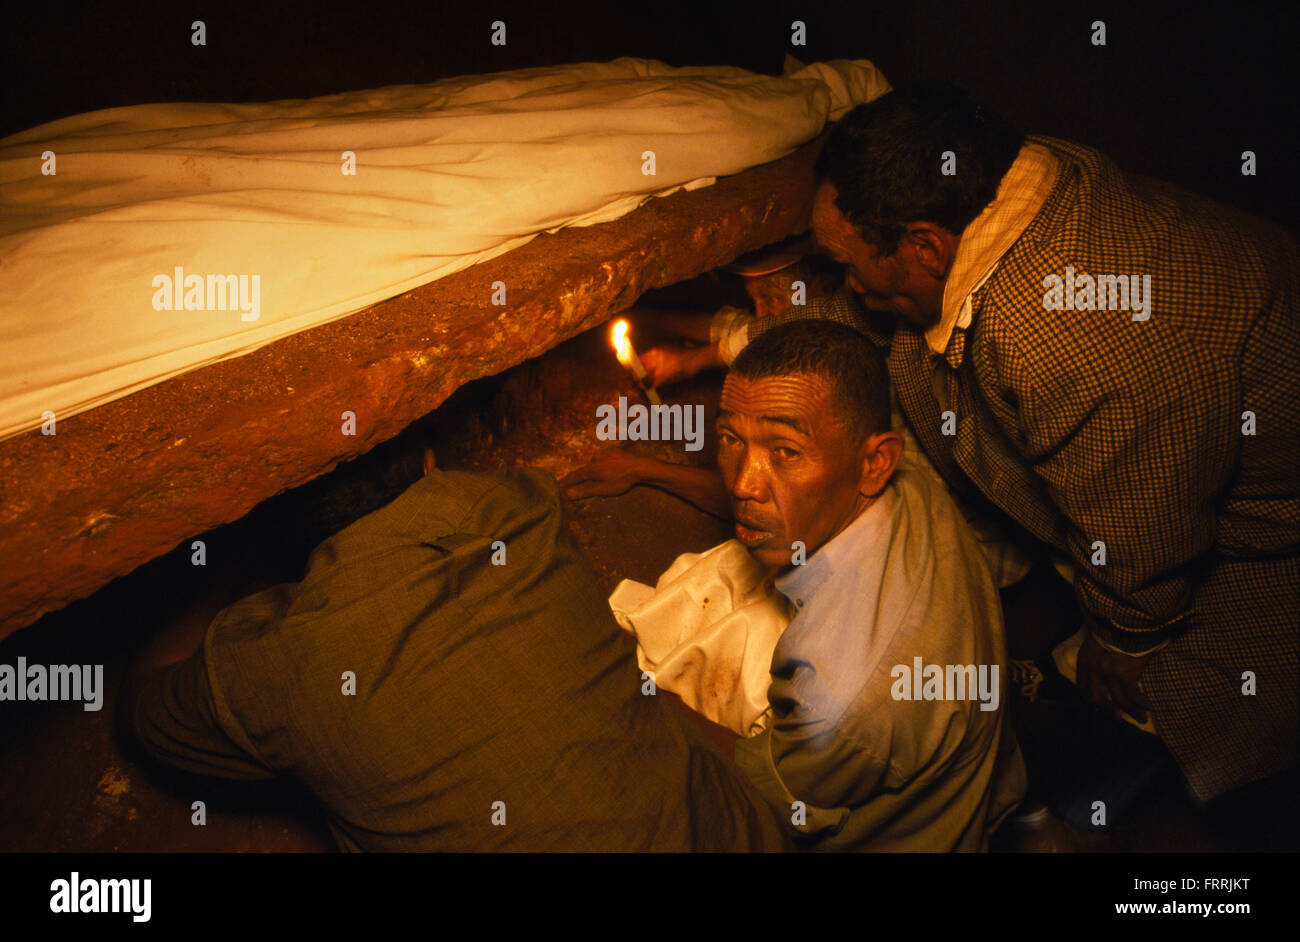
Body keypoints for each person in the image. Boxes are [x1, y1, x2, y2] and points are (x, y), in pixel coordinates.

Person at [751, 84, 1298, 805]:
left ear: (924, 245)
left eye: (848, 264)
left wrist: (1127, 637)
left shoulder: (1063, 342)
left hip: (1269, 517)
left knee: (1170, 689)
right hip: (1181, 425)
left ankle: (1110, 794)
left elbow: (1142, 526)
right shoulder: (1016, 184)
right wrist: (738, 340)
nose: (846, 283)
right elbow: (865, 316)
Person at [118, 455, 787, 852]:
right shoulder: (521, 512)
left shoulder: (265, 665)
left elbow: (145, 709)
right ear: (431, 462)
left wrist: (220, 555)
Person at [714, 318, 1026, 851]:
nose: (743, 483)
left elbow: (757, 789)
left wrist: (636, 694)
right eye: (729, 439)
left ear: (875, 462)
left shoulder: (844, 701)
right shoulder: (915, 482)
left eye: (785, 451)